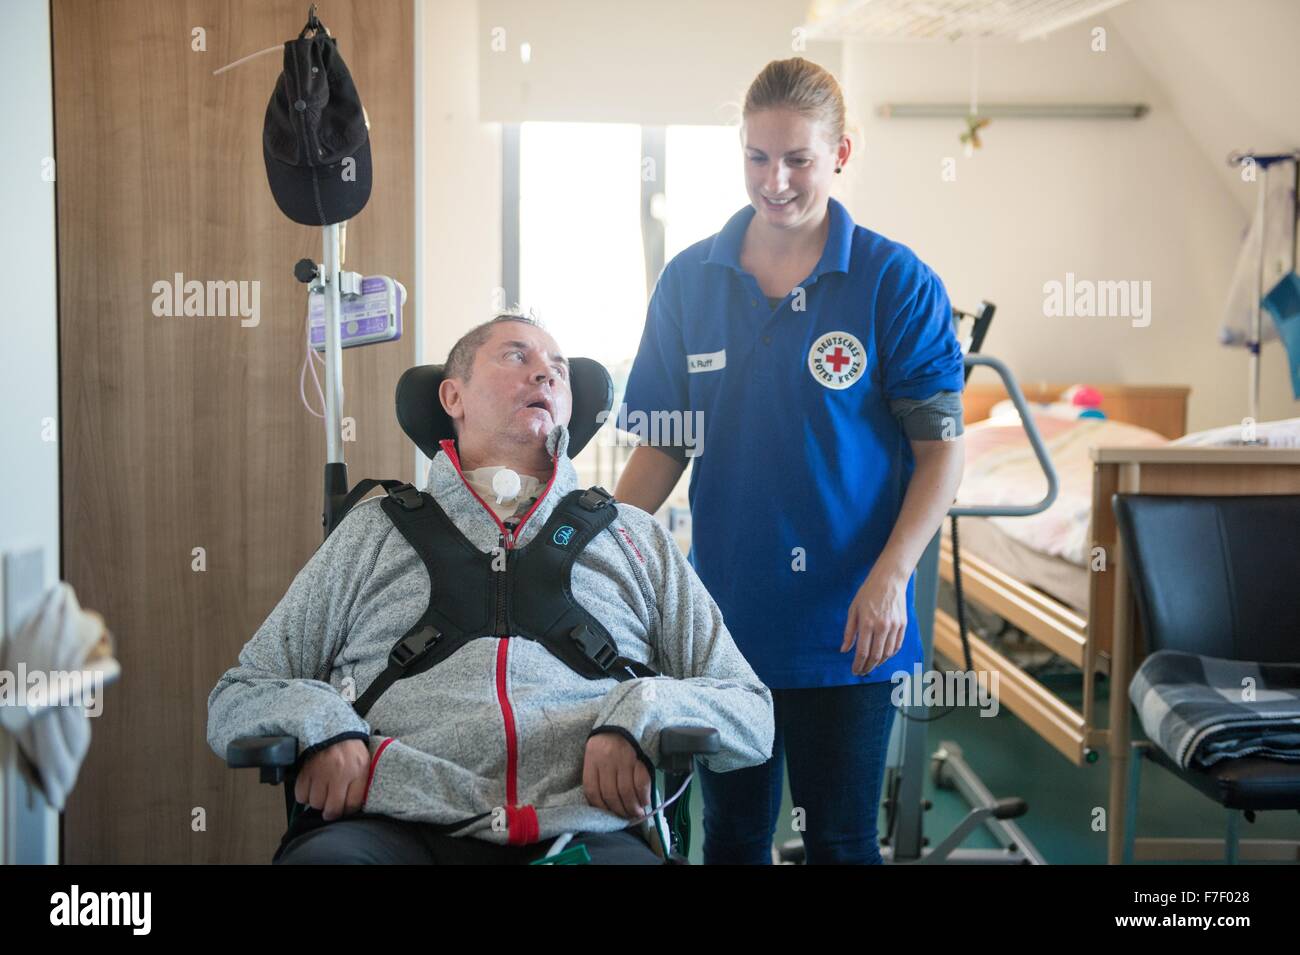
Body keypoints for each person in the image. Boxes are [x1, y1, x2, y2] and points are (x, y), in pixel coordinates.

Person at [207, 313, 774, 864]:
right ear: (452, 398)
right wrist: (324, 727)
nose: (546, 374)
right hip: (391, 821)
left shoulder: (635, 538)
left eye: (558, 369)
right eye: (515, 356)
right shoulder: (374, 530)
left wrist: (640, 710)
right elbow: (240, 693)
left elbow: (751, 713)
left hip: (580, 826)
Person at [614, 58, 966, 865]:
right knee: (732, 837)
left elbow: (941, 452)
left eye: (798, 158)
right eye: (756, 157)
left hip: (851, 623)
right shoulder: (690, 282)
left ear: (842, 152)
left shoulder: (893, 283)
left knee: (841, 840)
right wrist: (599, 555)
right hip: (724, 620)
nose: (775, 181)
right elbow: (664, 444)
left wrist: (892, 576)